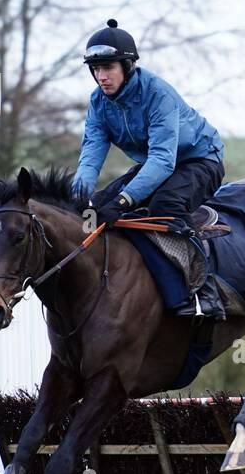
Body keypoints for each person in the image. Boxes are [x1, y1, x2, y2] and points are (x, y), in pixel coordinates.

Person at [71, 19, 225, 314]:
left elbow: (163, 160)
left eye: (109, 68)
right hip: (156, 164)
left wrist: (125, 199)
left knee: (163, 205)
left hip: (201, 160)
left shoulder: (157, 93)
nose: (101, 77)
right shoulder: (98, 102)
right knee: (98, 207)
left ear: (127, 67)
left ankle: (205, 290)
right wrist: (78, 196)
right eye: (96, 69)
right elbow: (91, 155)